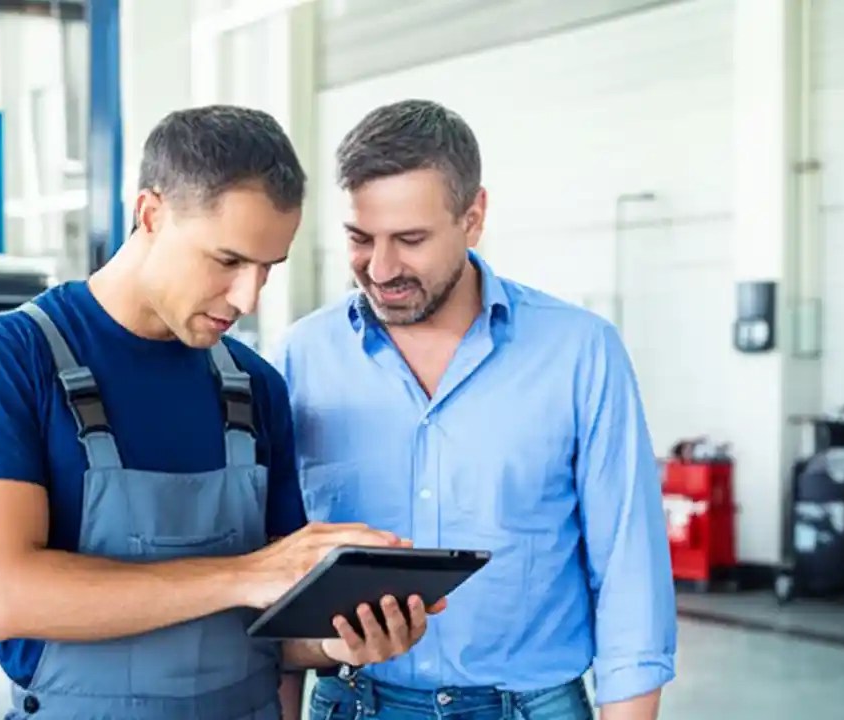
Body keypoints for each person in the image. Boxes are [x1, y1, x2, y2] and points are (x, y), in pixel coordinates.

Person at [0, 105, 444, 720]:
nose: (247, 298)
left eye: (266, 269)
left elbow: (271, 630)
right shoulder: (12, 355)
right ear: (150, 214)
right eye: (227, 261)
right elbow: (7, 596)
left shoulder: (256, 387)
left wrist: (337, 641)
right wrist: (244, 575)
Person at [275, 99, 677, 719]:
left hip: (530, 706)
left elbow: (631, 577)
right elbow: (278, 571)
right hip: (356, 702)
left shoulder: (579, 352)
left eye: (410, 240)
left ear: (474, 216)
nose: (380, 269)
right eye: (361, 239)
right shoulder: (303, 357)